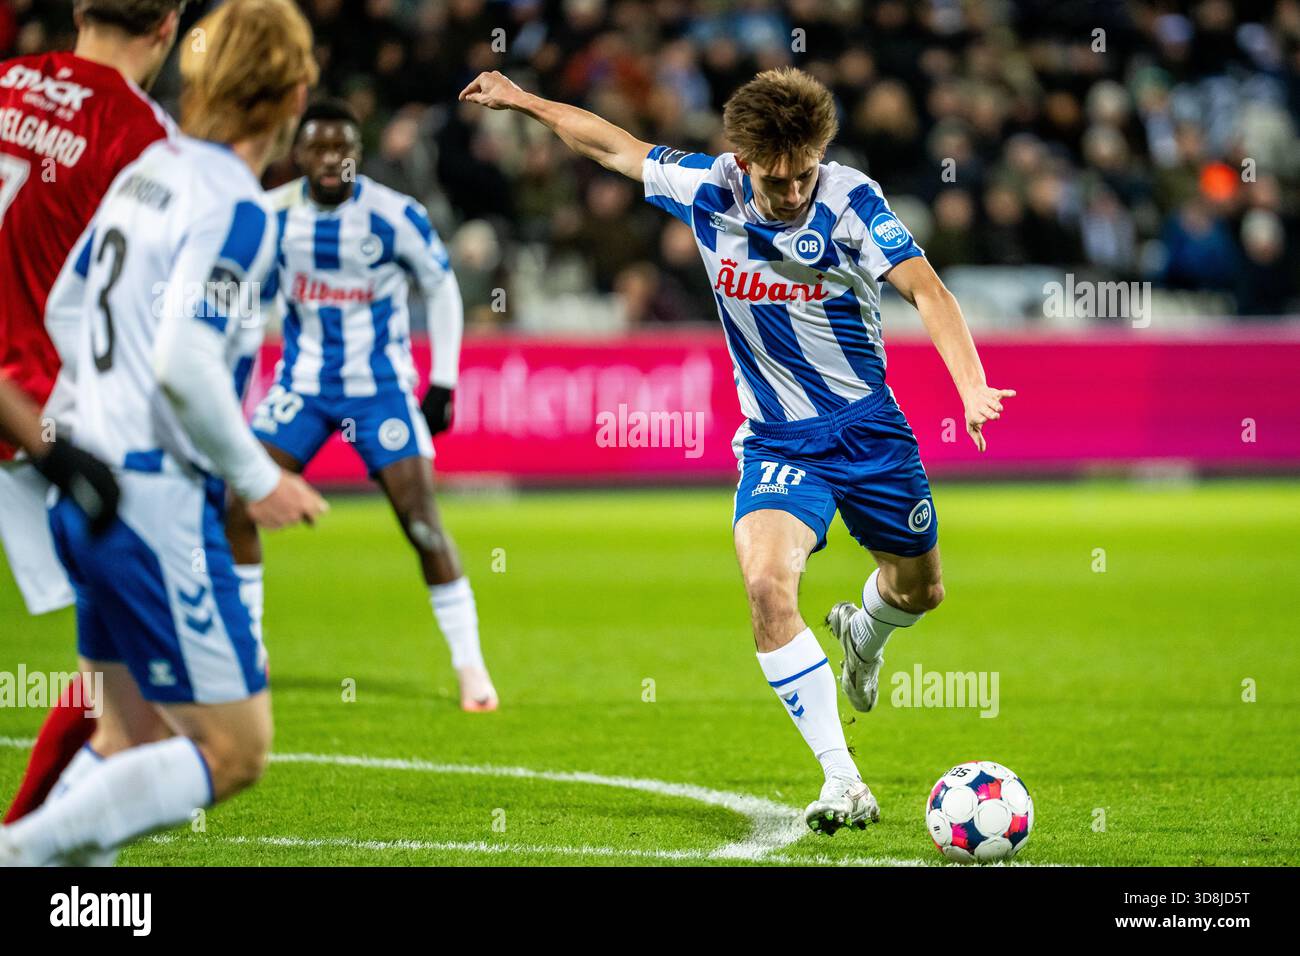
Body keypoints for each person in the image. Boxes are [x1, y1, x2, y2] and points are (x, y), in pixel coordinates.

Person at [459, 66, 1014, 834]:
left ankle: (866, 635)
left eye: (804, 175)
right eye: (777, 179)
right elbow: (613, 147)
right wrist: (524, 102)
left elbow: (929, 291)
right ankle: (842, 778)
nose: (792, 193)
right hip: (778, 442)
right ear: (743, 159)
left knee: (920, 592)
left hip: (870, 432)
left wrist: (971, 385)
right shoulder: (706, 187)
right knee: (764, 585)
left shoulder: (853, 199)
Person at [0, 0, 324, 867]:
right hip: (151, 503)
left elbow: (68, 304)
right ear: (294, 96)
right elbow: (184, 364)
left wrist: (94, 409)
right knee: (236, 750)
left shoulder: (151, 171)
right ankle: (19, 853)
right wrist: (258, 476)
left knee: (124, 737)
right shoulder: (233, 205)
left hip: (82, 479)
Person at [225, 99, 497, 712]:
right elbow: (242, 298)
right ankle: (249, 652)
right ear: (298, 155)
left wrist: (444, 381)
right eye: (317, 148)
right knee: (238, 505)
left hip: (380, 391)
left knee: (422, 522)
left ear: (357, 155)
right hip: (300, 388)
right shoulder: (270, 217)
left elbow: (441, 287)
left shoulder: (395, 215)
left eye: (341, 149)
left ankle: (470, 668)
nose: (330, 160)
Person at [0, 0, 180, 824]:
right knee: (136, 651)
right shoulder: (142, 140)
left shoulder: (5, 84)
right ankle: (25, 841)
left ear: (76, 11)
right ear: (170, 26)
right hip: (41, 424)